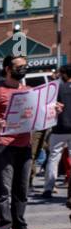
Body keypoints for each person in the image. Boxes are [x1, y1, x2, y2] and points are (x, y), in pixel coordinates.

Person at [0, 55, 43, 229]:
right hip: (3, 147)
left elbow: (38, 116)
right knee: (4, 189)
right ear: (7, 69)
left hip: (24, 145)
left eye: (25, 66)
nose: (23, 69)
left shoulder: (29, 91)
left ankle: (20, 226)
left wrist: (53, 110)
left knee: (21, 189)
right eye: (19, 67)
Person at [41, 64, 71, 197]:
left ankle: (49, 187)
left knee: (53, 158)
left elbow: (47, 104)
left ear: (64, 74)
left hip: (59, 127)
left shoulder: (57, 87)